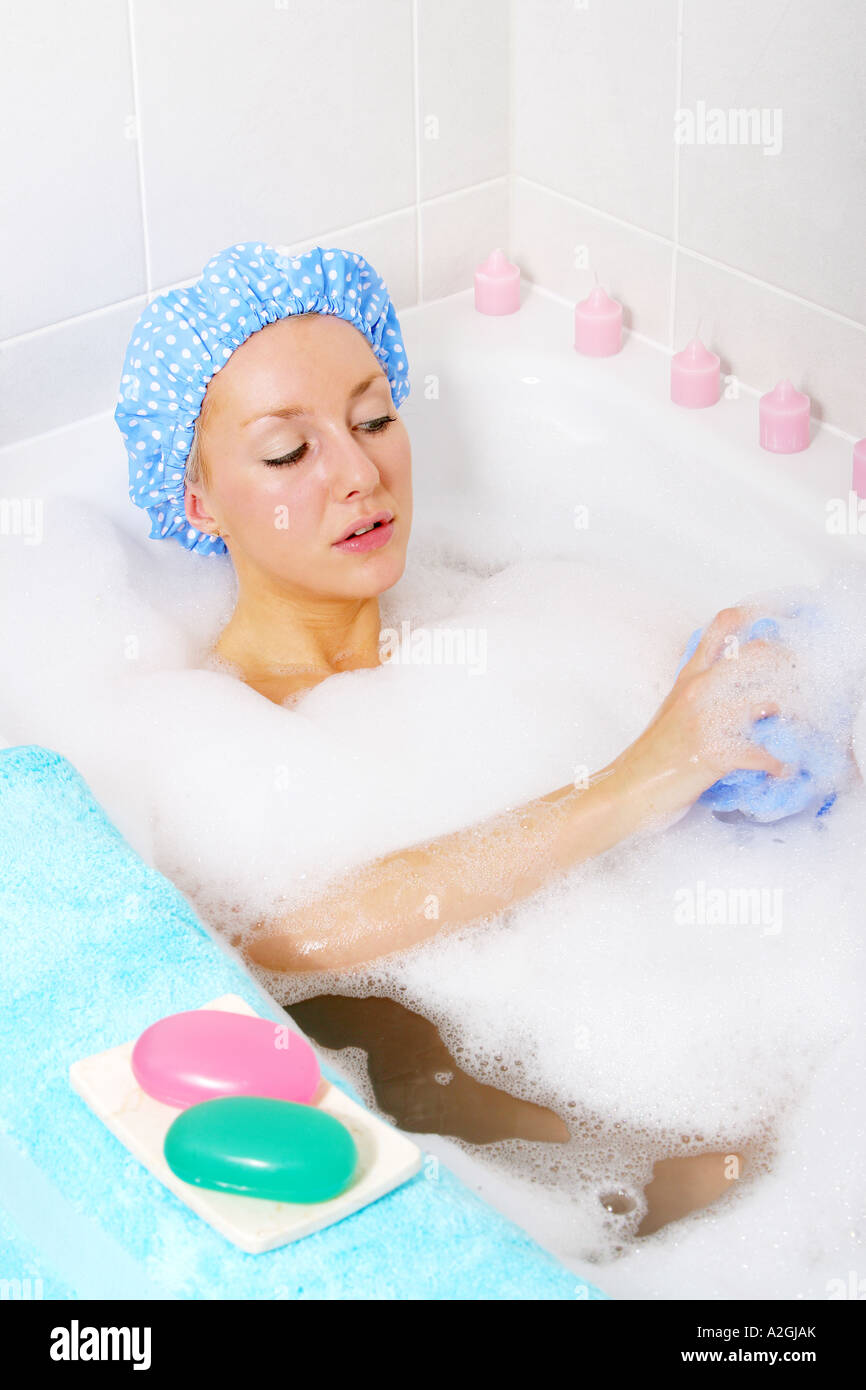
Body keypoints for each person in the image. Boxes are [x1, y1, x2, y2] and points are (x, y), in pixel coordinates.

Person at [116, 241, 792, 1235]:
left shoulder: (495, 617)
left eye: (374, 417)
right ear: (198, 500)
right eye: (287, 451)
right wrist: (641, 777)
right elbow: (269, 941)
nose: (359, 472)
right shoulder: (194, 729)